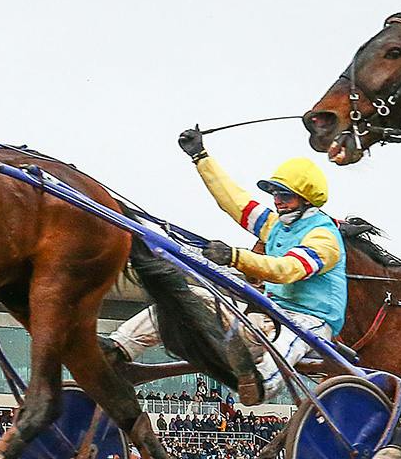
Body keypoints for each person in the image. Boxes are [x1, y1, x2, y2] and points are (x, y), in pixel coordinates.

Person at [106, 128, 348, 404]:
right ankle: (118, 346)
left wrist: (235, 256)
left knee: (292, 339)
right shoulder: (276, 225)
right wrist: (201, 157)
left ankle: (261, 385)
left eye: (285, 195)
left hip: (312, 323)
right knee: (182, 298)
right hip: (270, 317)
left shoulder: (324, 237)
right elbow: (234, 201)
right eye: (275, 193)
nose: (277, 200)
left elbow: (286, 270)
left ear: (306, 199)